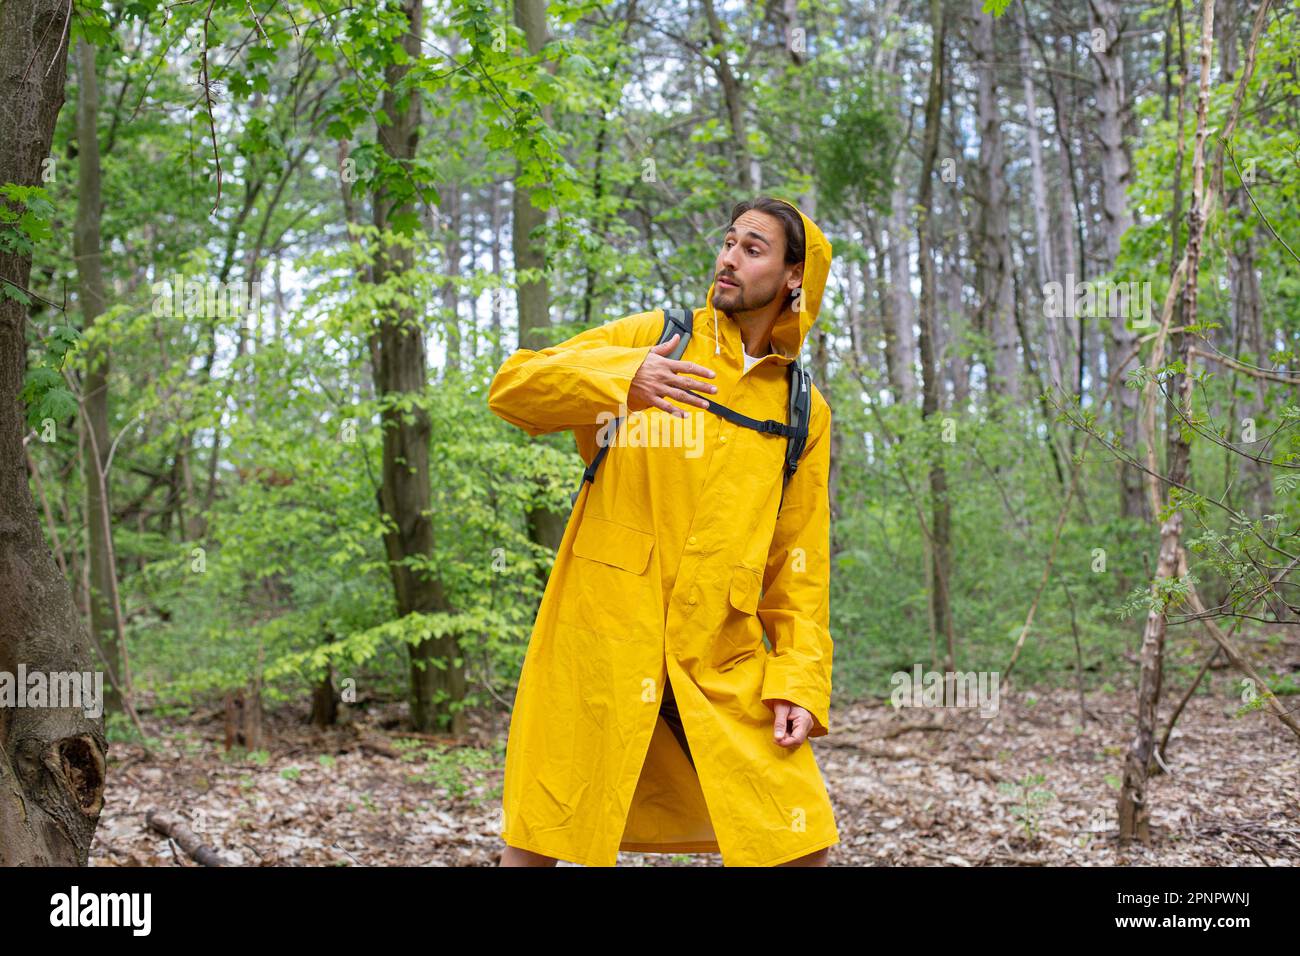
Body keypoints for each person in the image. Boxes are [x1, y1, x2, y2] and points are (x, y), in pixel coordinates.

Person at [489, 196, 838, 867]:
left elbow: (799, 561)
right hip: (602, 636)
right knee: (541, 832)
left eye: (753, 248)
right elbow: (514, 389)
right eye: (729, 241)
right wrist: (623, 376)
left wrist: (799, 679)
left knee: (798, 839)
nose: (729, 258)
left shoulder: (802, 410)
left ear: (794, 276)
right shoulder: (659, 337)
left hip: (718, 655)